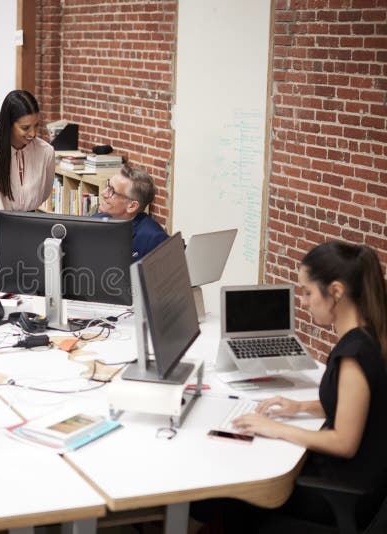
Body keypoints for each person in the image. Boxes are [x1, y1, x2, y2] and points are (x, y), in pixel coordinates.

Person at [194, 241, 387, 531]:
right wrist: (300, 407)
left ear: (335, 291)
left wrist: (276, 428)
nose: (304, 302)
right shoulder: (368, 337)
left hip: (338, 496)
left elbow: (344, 443)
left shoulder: (353, 357)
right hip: (352, 484)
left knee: (228, 497)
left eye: (308, 292)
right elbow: (351, 405)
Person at [0, 90, 55, 287]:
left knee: (30, 299)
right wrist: (1, 257)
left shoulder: (46, 152)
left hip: (30, 233)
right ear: (9, 124)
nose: (33, 133)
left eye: (36, 125)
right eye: (25, 127)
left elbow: (44, 193)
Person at [94, 163, 167, 261]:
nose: (103, 193)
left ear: (132, 206)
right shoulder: (97, 219)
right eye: (108, 186)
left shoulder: (154, 240)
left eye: (112, 191)